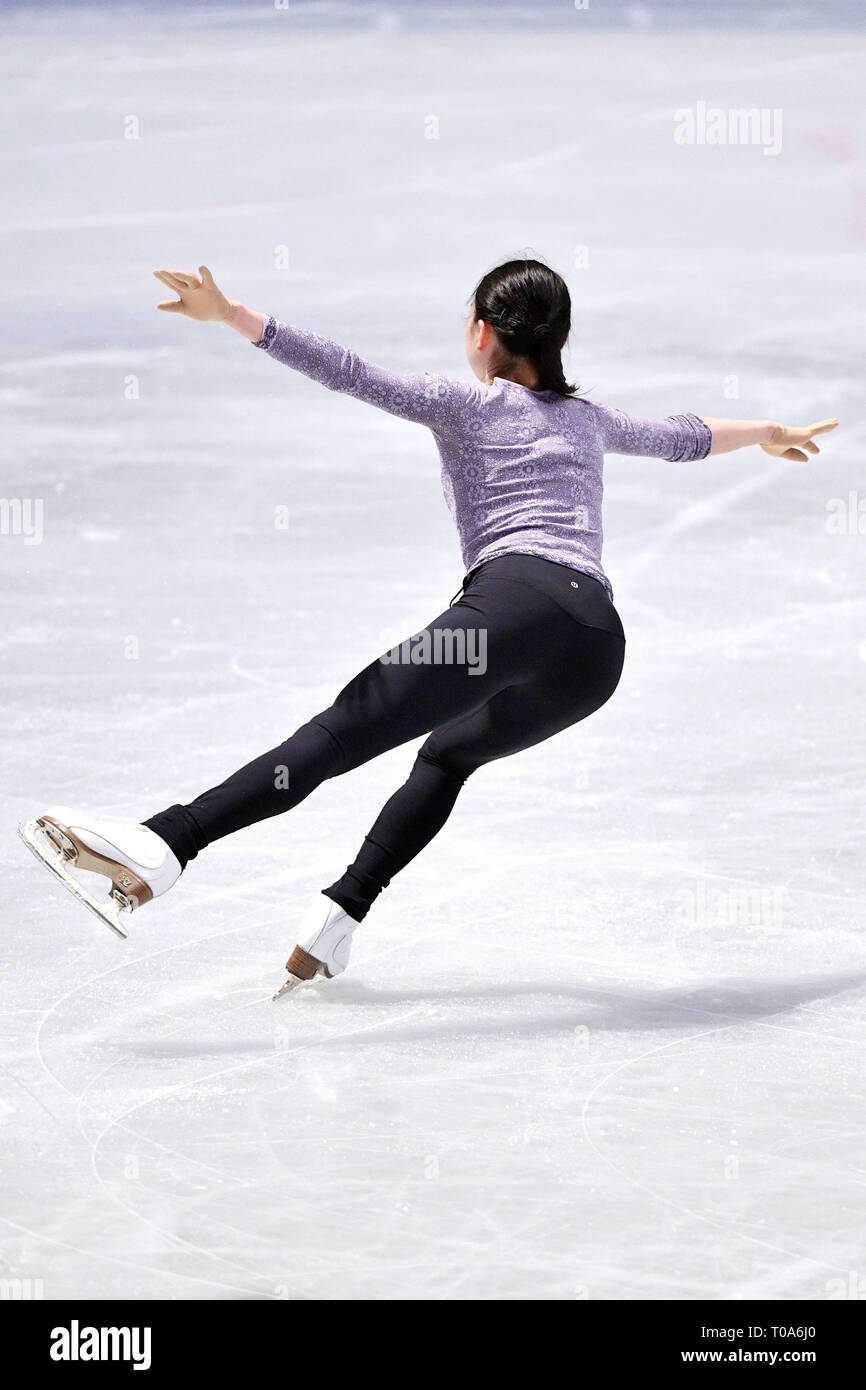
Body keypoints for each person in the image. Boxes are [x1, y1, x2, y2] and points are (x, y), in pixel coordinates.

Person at [19, 259, 838, 998]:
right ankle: (338, 919)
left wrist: (235, 313)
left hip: (513, 603)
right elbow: (687, 439)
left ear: (484, 332)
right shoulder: (589, 421)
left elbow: (348, 372)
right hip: (596, 646)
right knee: (449, 753)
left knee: (343, 731)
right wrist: (771, 432)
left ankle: (168, 845)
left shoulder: (466, 403)